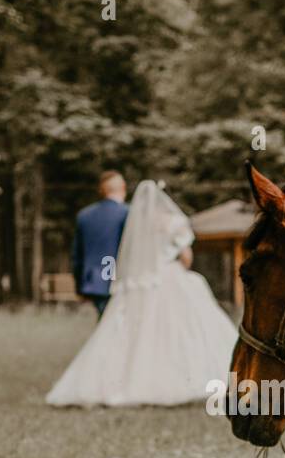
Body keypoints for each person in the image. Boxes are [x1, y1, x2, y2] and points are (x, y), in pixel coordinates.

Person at [46, 180, 237, 407]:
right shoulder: (175, 222)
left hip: (138, 281)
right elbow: (186, 258)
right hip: (170, 278)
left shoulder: (137, 224)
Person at [71, 171, 129, 318]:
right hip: (123, 280)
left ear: (101, 190)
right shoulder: (128, 213)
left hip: (95, 282)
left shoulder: (84, 215)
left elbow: (77, 256)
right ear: (123, 187)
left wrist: (79, 286)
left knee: (105, 322)